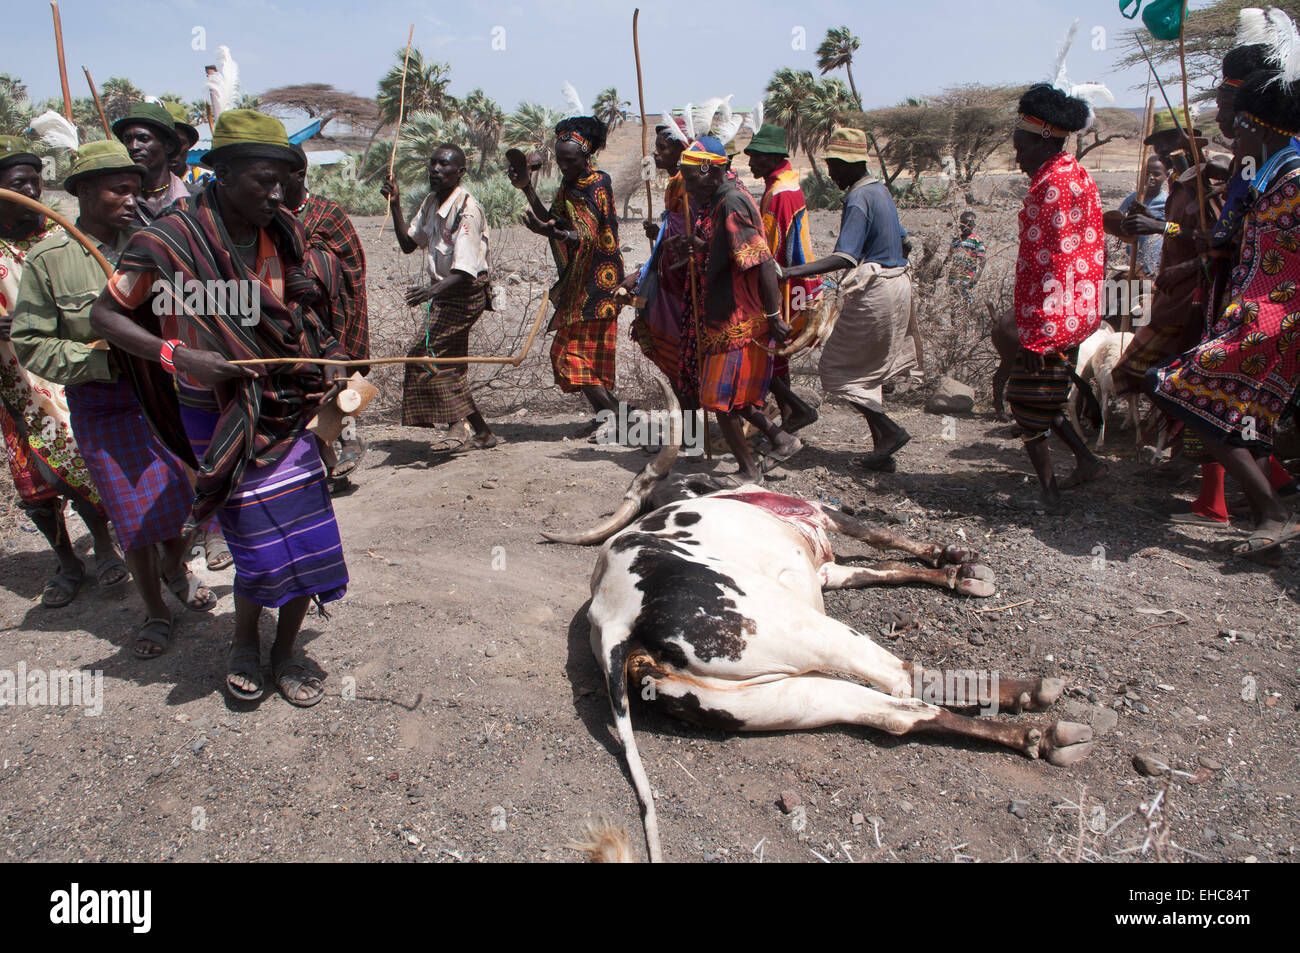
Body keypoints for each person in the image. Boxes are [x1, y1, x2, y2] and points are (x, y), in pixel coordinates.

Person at [90, 109, 350, 705]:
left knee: (305, 531)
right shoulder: (167, 242)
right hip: (216, 414)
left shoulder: (283, 232)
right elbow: (104, 316)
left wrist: (327, 356)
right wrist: (176, 356)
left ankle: (285, 650)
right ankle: (242, 642)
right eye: (266, 179)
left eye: (287, 179)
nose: (281, 192)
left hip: (287, 407)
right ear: (223, 171)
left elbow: (304, 309)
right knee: (255, 536)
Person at [11, 141, 216, 656]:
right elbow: (32, 342)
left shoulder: (151, 244)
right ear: (82, 191)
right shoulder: (49, 260)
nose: (131, 198)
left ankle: (177, 567)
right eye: (118, 190)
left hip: (166, 395)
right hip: (103, 404)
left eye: (135, 189)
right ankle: (154, 610)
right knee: (133, 516)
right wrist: (105, 359)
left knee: (186, 498)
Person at [1148, 69, 1300, 559]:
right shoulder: (1274, 168)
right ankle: (1268, 514)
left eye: (1241, 130)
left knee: (1177, 389)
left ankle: (1272, 511)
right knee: (1236, 413)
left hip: (1267, 317)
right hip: (1254, 312)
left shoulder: (1289, 176)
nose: (1236, 143)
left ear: (1258, 127)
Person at [0, 136, 126, 607]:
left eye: (35, 181)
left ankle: (107, 546)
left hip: (68, 373)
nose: (31, 191)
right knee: (33, 480)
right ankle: (67, 561)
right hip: (14, 383)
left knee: (85, 462)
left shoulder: (61, 242)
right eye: (18, 184)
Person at [782, 127, 917, 472]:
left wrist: (789, 272)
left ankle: (889, 430)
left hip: (877, 289)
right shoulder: (880, 191)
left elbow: (846, 257)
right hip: (899, 283)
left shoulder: (858, 198)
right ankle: (883, 441)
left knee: (836, 367)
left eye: (833, 166)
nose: (830, 174)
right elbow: (905, 244)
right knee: (865, 370)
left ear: (846, 163)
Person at [1004, 84, 1107, 508]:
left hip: (1053, 317)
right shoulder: (1072, 173)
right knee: (1047, 393)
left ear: (1043, 140)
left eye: (1021, 146)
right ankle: (1087, 462)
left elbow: (1053, 266)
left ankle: (1047, 491)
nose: (1017, 157)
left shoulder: (1053, 185)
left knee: (1025, 398)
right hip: (1073, 311)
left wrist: (1034, 335)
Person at [677, 136, 799, 484]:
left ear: (707, 171)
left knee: (717, 400)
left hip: (736, 317)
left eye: (688, 177)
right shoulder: (723, 197)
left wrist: (775, 316)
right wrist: (701, 247)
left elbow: (761, 261)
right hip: (730, 313)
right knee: (736, 396)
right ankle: (781, 438)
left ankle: (749, 471)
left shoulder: (730, 202)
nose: (686, 186)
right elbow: (731, 252)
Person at [508, 115, 628, 430]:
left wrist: (552, 233)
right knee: (575, 356)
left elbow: (583, 235)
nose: (564, 165)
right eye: (560, 160)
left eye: (570, 160)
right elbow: (555, 220)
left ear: (586, 156)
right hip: (580, 282)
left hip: (599, 281)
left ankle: (622, 420)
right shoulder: (569, 183)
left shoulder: (598, 182)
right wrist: (527, 190)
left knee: (573, 357)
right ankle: (608, 418)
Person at [383, 144, 497, 453]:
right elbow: (409, 244)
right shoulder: (432, 202)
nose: (435, 169)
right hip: (445, 292)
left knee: (425, 356)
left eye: (444, 165)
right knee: (447, 364)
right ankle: (479, 431)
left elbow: (465, 272)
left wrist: (429, 292)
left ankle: (457, 425)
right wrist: (395, 204)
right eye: (432, 163)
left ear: (460, 172)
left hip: (464, 293)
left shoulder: (467, 211)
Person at [288, 144, 371, 474]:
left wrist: (319, 269)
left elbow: (355, 267)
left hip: (335, 311)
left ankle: (350, 438)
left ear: (299, 175)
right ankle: (330, 461)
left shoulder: (328, 213)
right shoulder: (267, 217)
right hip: (295, 314)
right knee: (307, 387)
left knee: (344, 377)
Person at [744, 122, 821, 434]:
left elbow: (772, 250)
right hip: (791, 282)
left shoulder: (780, 193)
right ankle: (790, 413)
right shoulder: (783, 185)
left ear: (774, 157)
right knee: (775, 353)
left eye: (757, 157)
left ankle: (796, 409)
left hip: (784, 285)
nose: (750, 163)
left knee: (765, 350)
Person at [628, 117, 690, 396]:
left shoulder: (684, 183)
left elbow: (683, 231)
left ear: (681, 150)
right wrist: (660, 229)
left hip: (676, 280)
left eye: (662, 148)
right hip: (666, 274)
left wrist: (666, 233)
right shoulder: (674, 183)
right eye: (656, 147)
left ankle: (693, 426)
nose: (656, 153)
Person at [113, 103, 190, 220]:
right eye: (128, 140)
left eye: (143, 139)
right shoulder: (118, 204)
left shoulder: (196, 200)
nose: (133, 146)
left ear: (168, 146)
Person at [1109, 155, 1170, 279]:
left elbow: (1171, 227)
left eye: (1156, 174)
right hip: (1134, 257)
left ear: (1166, 176)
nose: (1151, 178)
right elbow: (1116, 220)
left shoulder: (1167, 201)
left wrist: (1151, 219)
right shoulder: (1133, 198)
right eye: (1147, 173)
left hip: (1157, 259)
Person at [943, 210, 988, 300]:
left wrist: (976, 277)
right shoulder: (956, 240)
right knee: (953, 301)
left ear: (973, 225)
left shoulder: (976, 240)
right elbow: (949, 256)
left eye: (969, 224)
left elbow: (982, 259)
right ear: (959, 225)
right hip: (954, 276)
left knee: (965, 301)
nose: (966, 227)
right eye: (964, 224)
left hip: (968, 277)